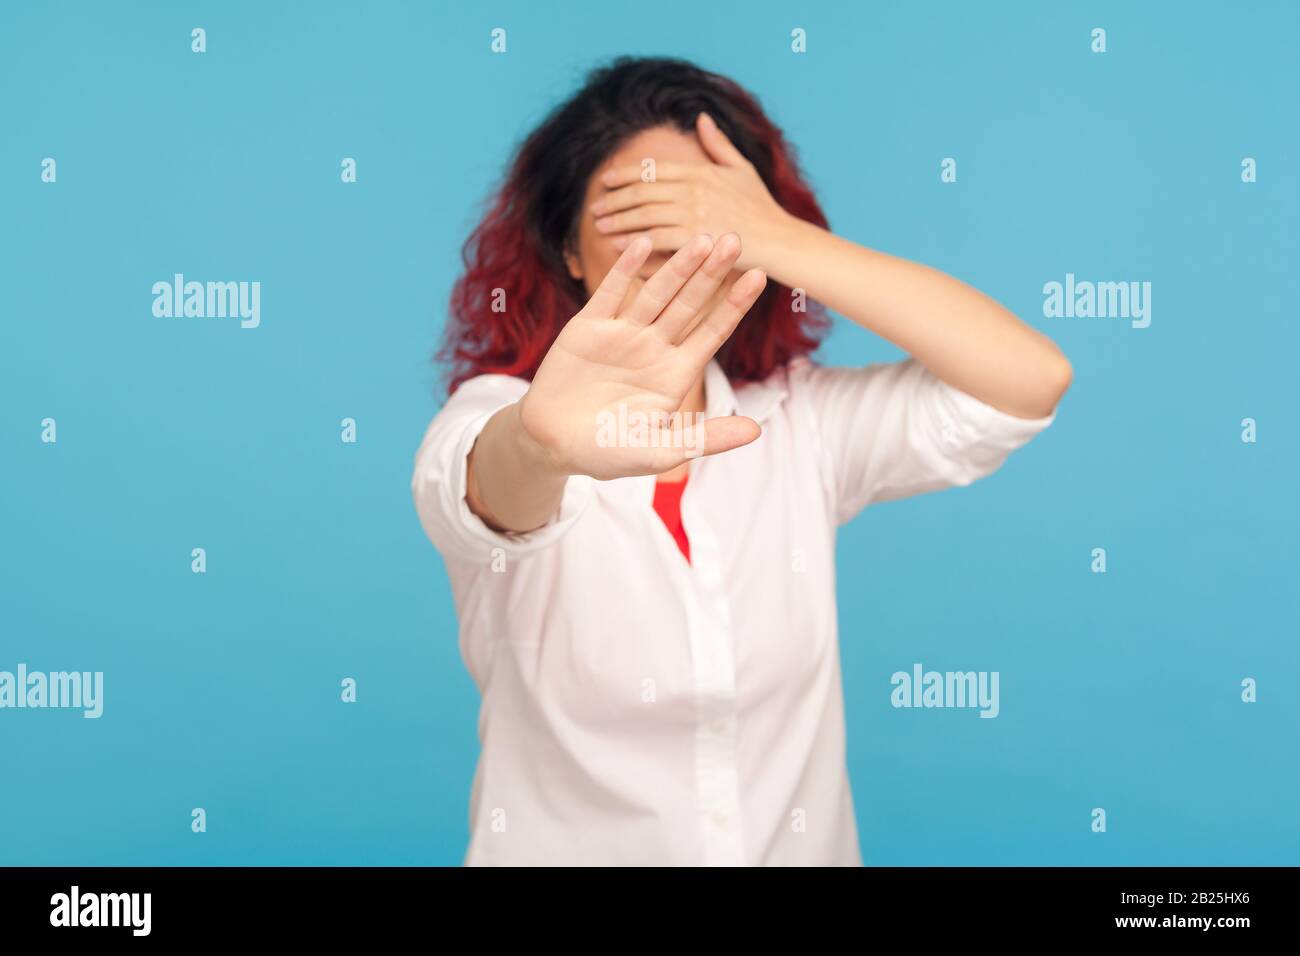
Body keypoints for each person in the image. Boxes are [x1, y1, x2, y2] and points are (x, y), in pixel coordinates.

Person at [413, 57, 1071, 866]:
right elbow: (486, 490)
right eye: (634, 213)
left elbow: (1030, 381)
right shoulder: (496, 418)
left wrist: (777, 236)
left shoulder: (802, 422)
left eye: (705, 215)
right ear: (568, 254)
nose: (676, 249)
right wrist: (542, 442)